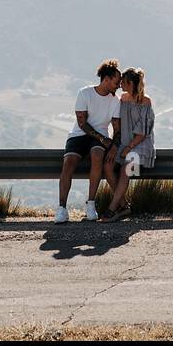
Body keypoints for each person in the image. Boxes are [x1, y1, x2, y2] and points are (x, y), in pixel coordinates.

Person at [56, 58, 122, 223]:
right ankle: (62, 209)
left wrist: (114, 146)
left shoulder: (115, 101)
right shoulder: (84, 93)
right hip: (79, 134)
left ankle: (91, 204)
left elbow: (117, 128)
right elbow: (82, 123)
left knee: (97, 157)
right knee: (69, 162)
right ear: (106, 79)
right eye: (117, 81)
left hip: (100, 137)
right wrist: (102, 138)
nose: (119, 85)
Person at [100, 67, 155, 222]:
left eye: (123, 82)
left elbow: (143, 132)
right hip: (124, 144)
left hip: (140, 146)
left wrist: (129, 147)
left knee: (126, 170)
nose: (120, 85)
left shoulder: (146, 101)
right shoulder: (122, 99)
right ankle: (124, 206)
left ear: (130, 83)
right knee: (108, 166)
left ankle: (111, 210)